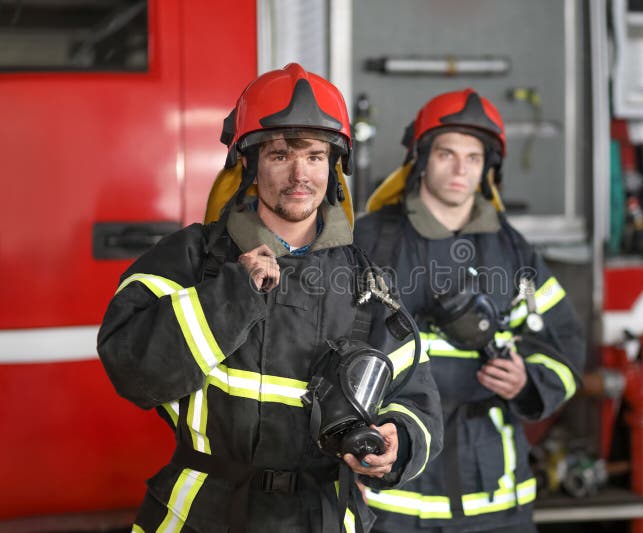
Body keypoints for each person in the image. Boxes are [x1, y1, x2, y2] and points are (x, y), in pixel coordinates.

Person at [97, 63, 443, 533]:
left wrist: (398, 440)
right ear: (250, 163)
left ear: (333, 167)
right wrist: (231, 295)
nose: (300, 174)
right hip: (201, 514)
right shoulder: (194, 258)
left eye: (316, 157)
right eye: (280, 155)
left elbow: (416, 400)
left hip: (320, 516)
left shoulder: (367, 283)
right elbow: (131, 367)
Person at [353, 89, 585, 532]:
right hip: (394, 497)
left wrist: (527, 381)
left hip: (496, 501)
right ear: (421, 158)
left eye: (474, 158)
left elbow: (564, 343)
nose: (461, 169)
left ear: (488, 169)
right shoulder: (371, 242)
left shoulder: (512, 250)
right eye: (447, 153)